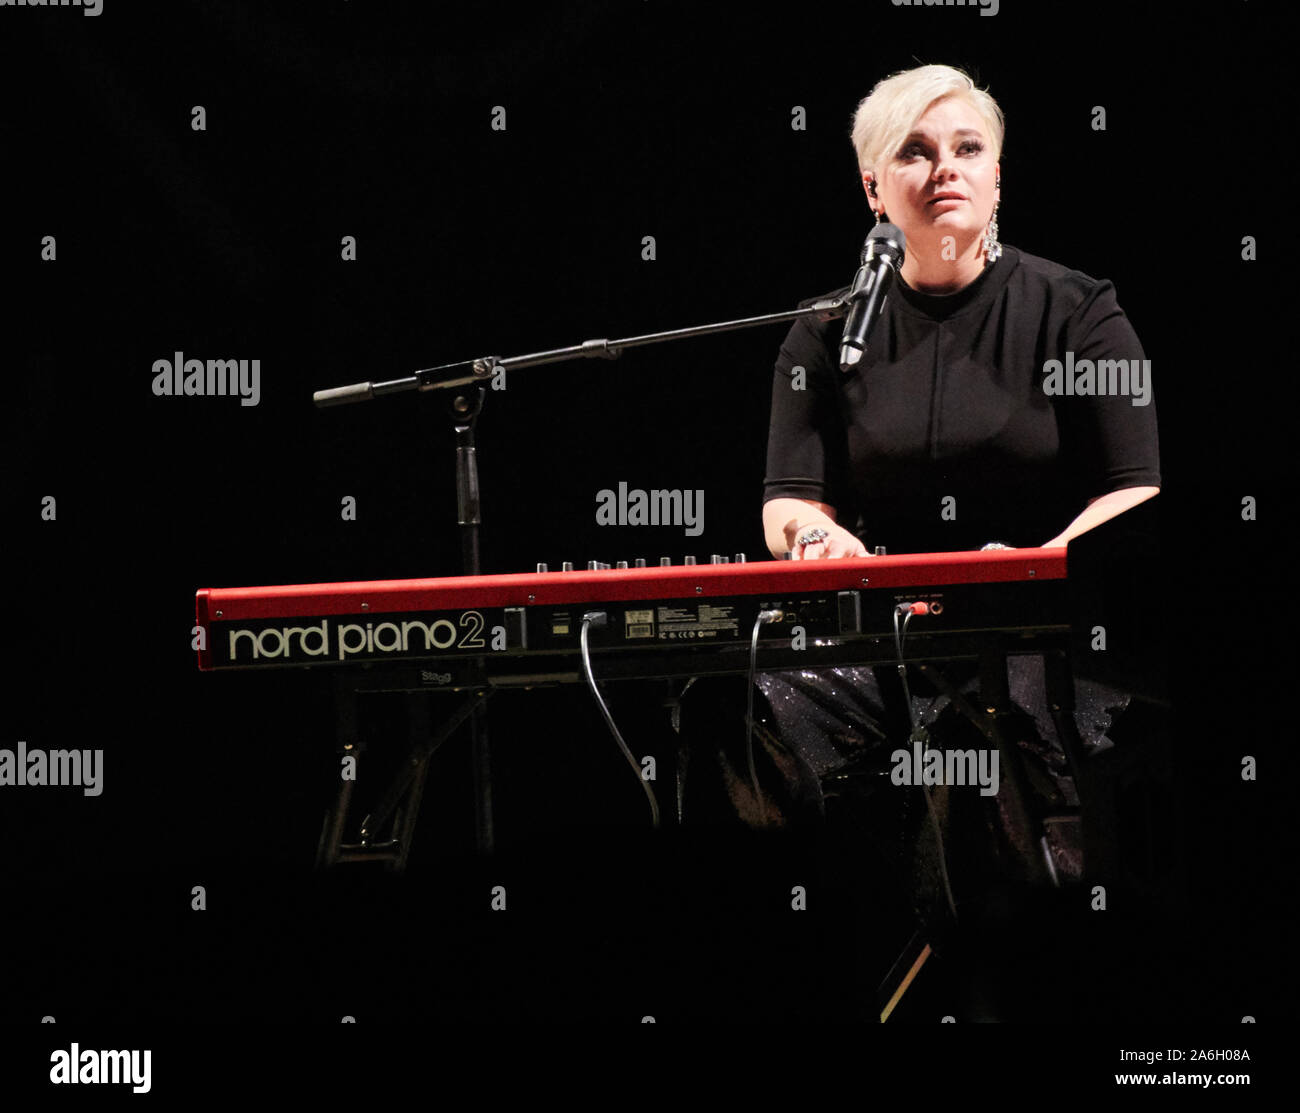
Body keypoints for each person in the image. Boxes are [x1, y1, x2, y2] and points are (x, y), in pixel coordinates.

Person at [679, 64, 1161, 918]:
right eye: (916, 152)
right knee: (733, 699)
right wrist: (817, 541)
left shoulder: (1081, 310)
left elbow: (1138, 491)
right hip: (890, 639)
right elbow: (788, 499)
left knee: (976, 728)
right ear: (873, 187)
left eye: (968, 149)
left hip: (1047, 638)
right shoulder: (825, 330)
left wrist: (1036, 566)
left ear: (998, 174)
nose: (947, 168)